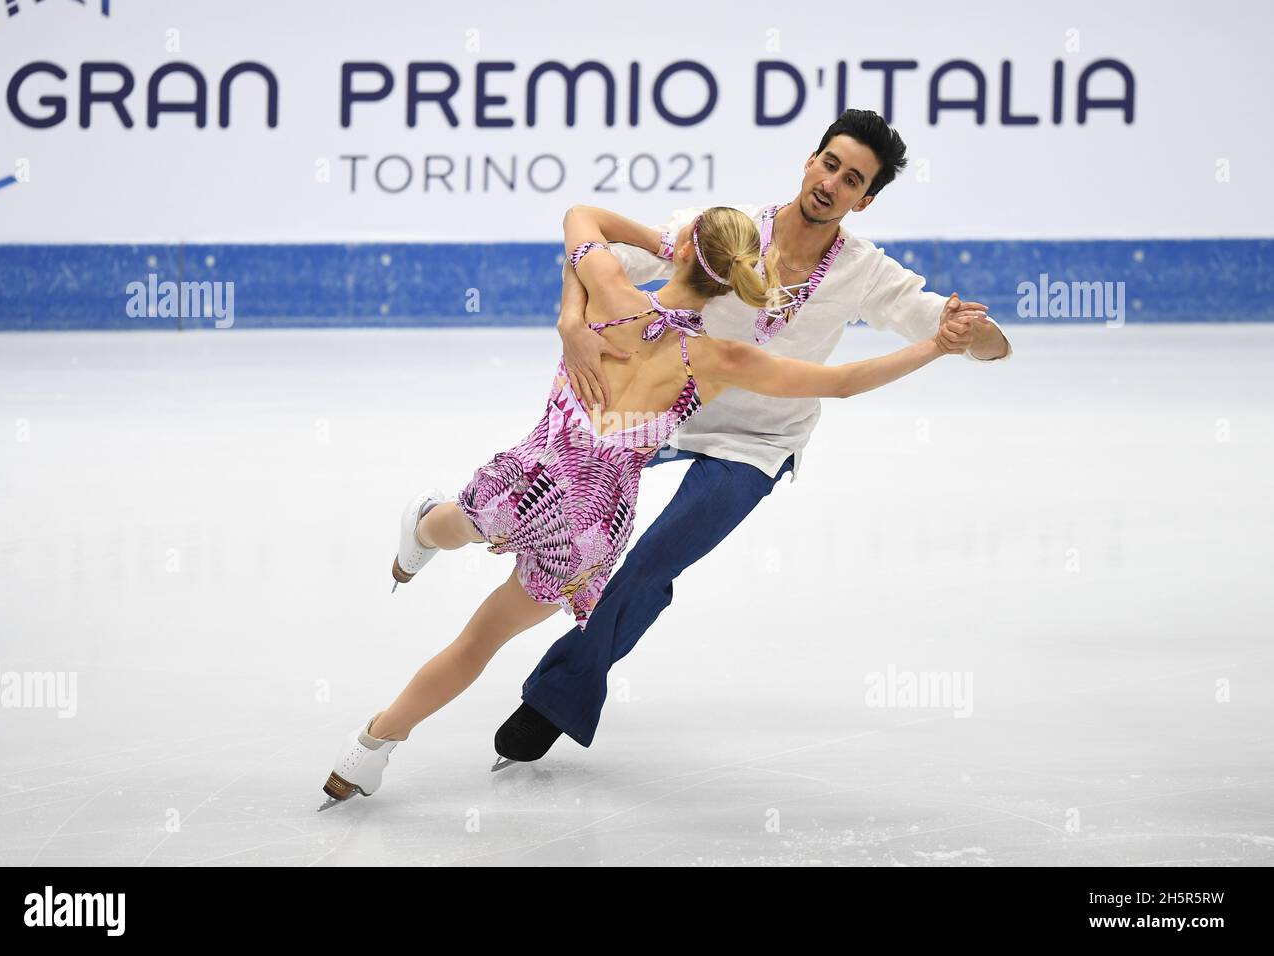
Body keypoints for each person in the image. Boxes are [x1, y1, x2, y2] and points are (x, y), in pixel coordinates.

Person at [319, 202, 977, 806]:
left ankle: (425, 530)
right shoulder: (720, 358)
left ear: (686, 248)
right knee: (478, 642)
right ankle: (370, 747)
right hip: (589, 530)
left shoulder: (609, 294)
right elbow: (841, 383)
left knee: (453, 525)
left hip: (528, 477)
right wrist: (936, 345)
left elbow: (580, 216)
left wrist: (619, 276)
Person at [493, 108, 1014, 767]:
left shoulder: (866, 272)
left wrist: (974, 335)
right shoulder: (728, 228)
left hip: (755, 448)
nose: (832, 182)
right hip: (668, 410)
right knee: (548, 489)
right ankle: (457, 530)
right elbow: (596, 252)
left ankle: (553, 700)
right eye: (829, 163)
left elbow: (970, 337)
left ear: (866, 198)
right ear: (809, 161)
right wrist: (573, 319)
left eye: (852, 179)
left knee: (651, 565)